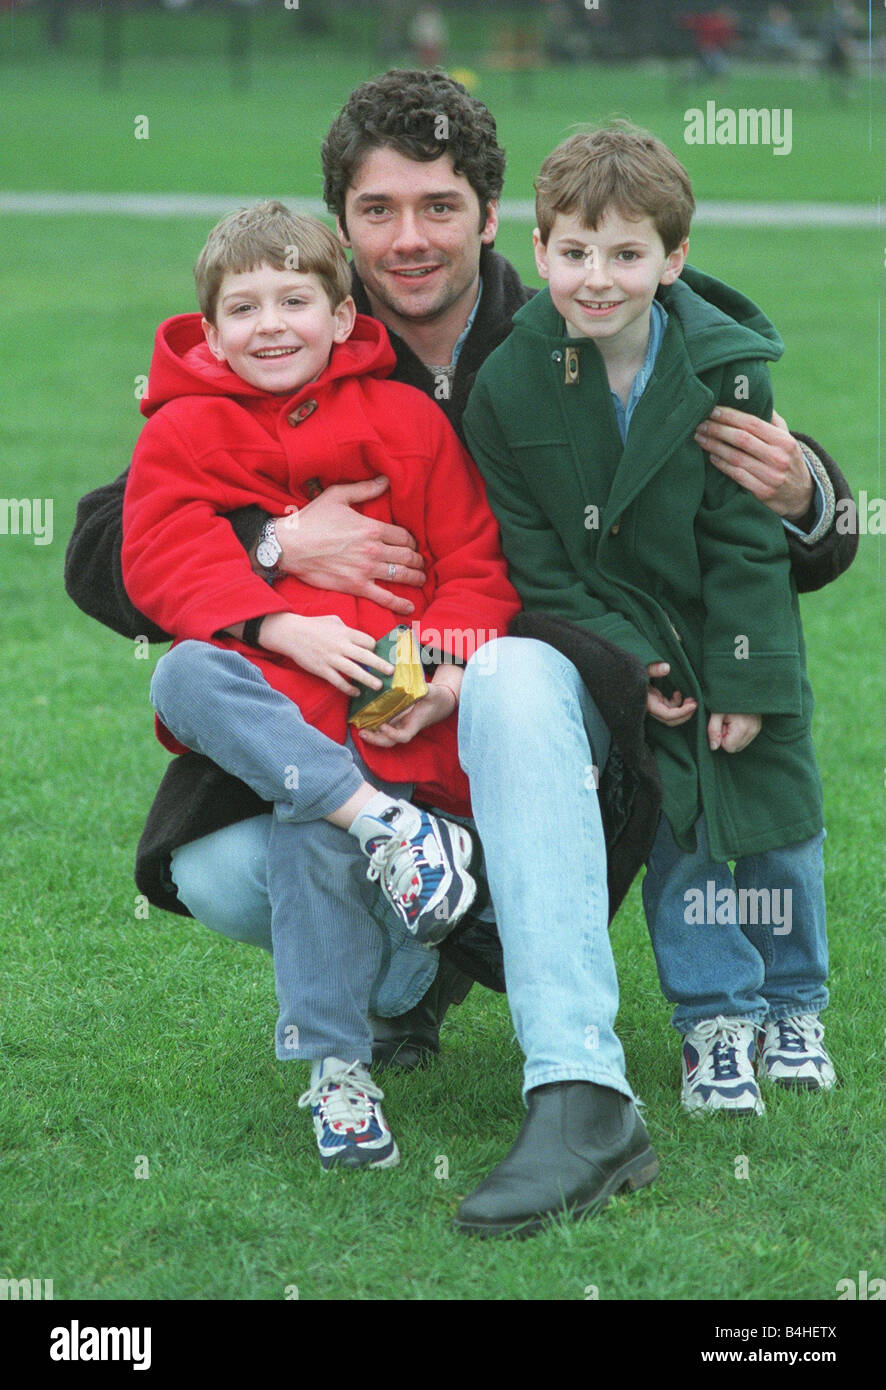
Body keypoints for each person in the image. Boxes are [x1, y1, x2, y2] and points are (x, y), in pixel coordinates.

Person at [65, 70, 857, 1080]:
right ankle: (400, 974)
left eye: (439, 205)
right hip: (359, 734)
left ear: (491, 217)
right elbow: (104, 542)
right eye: (377, 211)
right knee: (217, 868)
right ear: (341, 231)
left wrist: (806, 494)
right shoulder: (304, 355)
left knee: (512, 685)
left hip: (545, 725)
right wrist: (272, 541)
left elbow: (735, 472)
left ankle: (572, 1065)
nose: (410, 238)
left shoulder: (568, 318)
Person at [460, 125, 835, 1226]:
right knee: (682, 820)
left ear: (673, 258)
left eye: (627, 254)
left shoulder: (721, 367)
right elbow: (537, 563)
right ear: (537, 249)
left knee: (774, 820)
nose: (598, 278)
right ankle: (714, 1020)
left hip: (733, 630)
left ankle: (793, 1000)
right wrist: (640, 668)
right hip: (627, 644)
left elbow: (747, 540)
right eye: (574, 252)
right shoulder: (510, 385)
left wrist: (747, 677)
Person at [120, 201, 519, 1169]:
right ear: (208, 334)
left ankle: (359, 1016)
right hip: (282, 730)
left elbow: (474, 564)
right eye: (243, 308)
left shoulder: (405, 419)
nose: (270, 325)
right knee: (181, 673)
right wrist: (277, 618)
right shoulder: (182, 431)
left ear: (344, 316)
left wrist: (438, 661)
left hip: (389, 718)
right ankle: (340, 1070)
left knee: (314, 830)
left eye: (294, 299)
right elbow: (156, 554)